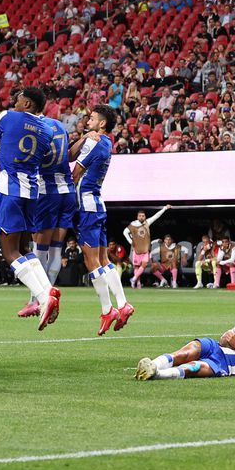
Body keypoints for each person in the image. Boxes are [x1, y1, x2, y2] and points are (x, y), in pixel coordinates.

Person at [0, 87, 59, 330]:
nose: (14, 101)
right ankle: (49, 290)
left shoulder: (7, 117)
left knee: (9, 252)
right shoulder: (47, 130)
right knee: (24, 248)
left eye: (18, 99)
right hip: (32, 191)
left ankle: (43, 297)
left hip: (9, 188)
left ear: (27, 103)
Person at [70, 105, 134, 335]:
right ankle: (123, 303)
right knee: (104, 259)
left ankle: (108, 310)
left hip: (86, 205)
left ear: (102, 124)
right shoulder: (107, 143)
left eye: (93, 118)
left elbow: (74, 171)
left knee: (91, 261)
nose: (88, 120)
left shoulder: (94, 142)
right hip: (98, 203)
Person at [26, 100, 77, 312]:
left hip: (46, 191)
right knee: (56, 249)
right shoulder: (60, 126)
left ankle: (37, 299)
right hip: (67, 191)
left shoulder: (35, 128)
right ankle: (45, 295)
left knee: (40, 247)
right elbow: (68, 155)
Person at [135, 307, 235, 380]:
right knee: (188, 351)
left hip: (224, 364)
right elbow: (223, 340)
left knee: (193, 367)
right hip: (214, 346)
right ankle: (152, 365)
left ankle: (156, 374)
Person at [123, 205, 171, 288]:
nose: (141, 217)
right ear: (137, 217)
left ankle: (133, 279)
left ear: (145, 217)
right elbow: (125, 232)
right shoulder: (133, 224)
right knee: (137, 267)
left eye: (143, 216)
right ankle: (137, 283)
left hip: (145, 249)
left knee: (144, 264)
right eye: (140, 216)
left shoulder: (147, 222)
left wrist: (164, 208)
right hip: (136, 249)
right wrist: (131, 241)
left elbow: (156, 216)